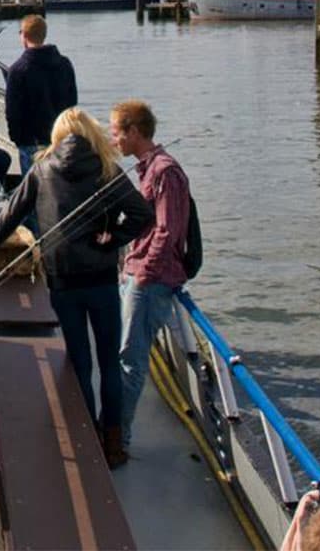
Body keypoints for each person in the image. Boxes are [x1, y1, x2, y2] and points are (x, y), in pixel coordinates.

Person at [0, 109, 152, 470]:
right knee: (109, 363)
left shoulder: (42, 169)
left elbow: (10, 217)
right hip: (100, 280)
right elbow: (143, 215)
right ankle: (113, 443)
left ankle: (86, 440)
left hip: (63, 281)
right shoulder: (106, 170)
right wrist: (111, 239)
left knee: (79, 361)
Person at [111, 99, 191, 453]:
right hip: (136, 273)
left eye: (117, 132)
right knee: (123, 353)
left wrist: (143, 274)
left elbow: (167, 230)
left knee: (131, 358)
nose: (114, 140)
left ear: (133, 131)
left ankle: (119, 439)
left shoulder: (164, 172)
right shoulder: (147, 169)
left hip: (150, 280)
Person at [7, 14, 79, 173]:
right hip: (60, 138)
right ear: (44, 34)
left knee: (34, 187)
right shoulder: (65, 64)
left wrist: (18, 139)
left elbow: (13, 112)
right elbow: (72, 101)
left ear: (24, 36)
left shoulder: (18, 70)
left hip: (30, 141)